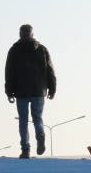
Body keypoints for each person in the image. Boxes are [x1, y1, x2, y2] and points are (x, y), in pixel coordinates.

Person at [5, 24, 56, 159]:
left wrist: (9, 91)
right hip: (39, 91)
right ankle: (40, 135)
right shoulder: (42, 49)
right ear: (32, 34)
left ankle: (25, 149)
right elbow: (50, 70)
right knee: (37, 118)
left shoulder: (14, 50)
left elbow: (9, 72)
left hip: (21, 91)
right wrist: (52, 88)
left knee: (23, 120)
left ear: (20, 35)